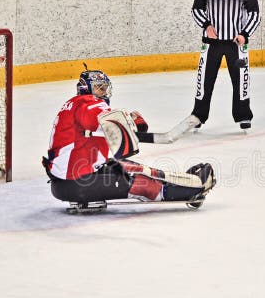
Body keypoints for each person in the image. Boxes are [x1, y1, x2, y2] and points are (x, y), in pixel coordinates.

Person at [44, 69, 215, 206]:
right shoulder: (88, 102)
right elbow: (102, 122)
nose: (103, 92)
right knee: (142, 182)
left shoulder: (72, 104)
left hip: (62, 183)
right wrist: (131, 122)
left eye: (104, 88)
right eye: (99, 87)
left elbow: (103, 130)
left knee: (130, 167)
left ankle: (186, 183)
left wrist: (129, 124)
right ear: (85, 87)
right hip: (78, 183)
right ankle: (194, 189)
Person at [190, 0, 261, 130]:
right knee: (204, 81)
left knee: (241, 81)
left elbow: (254, 13)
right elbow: (196, 9)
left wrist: (244, 34)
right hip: (211, 43)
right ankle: (198, 115)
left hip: (235, 44)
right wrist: (206, 26)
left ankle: (243, 115)